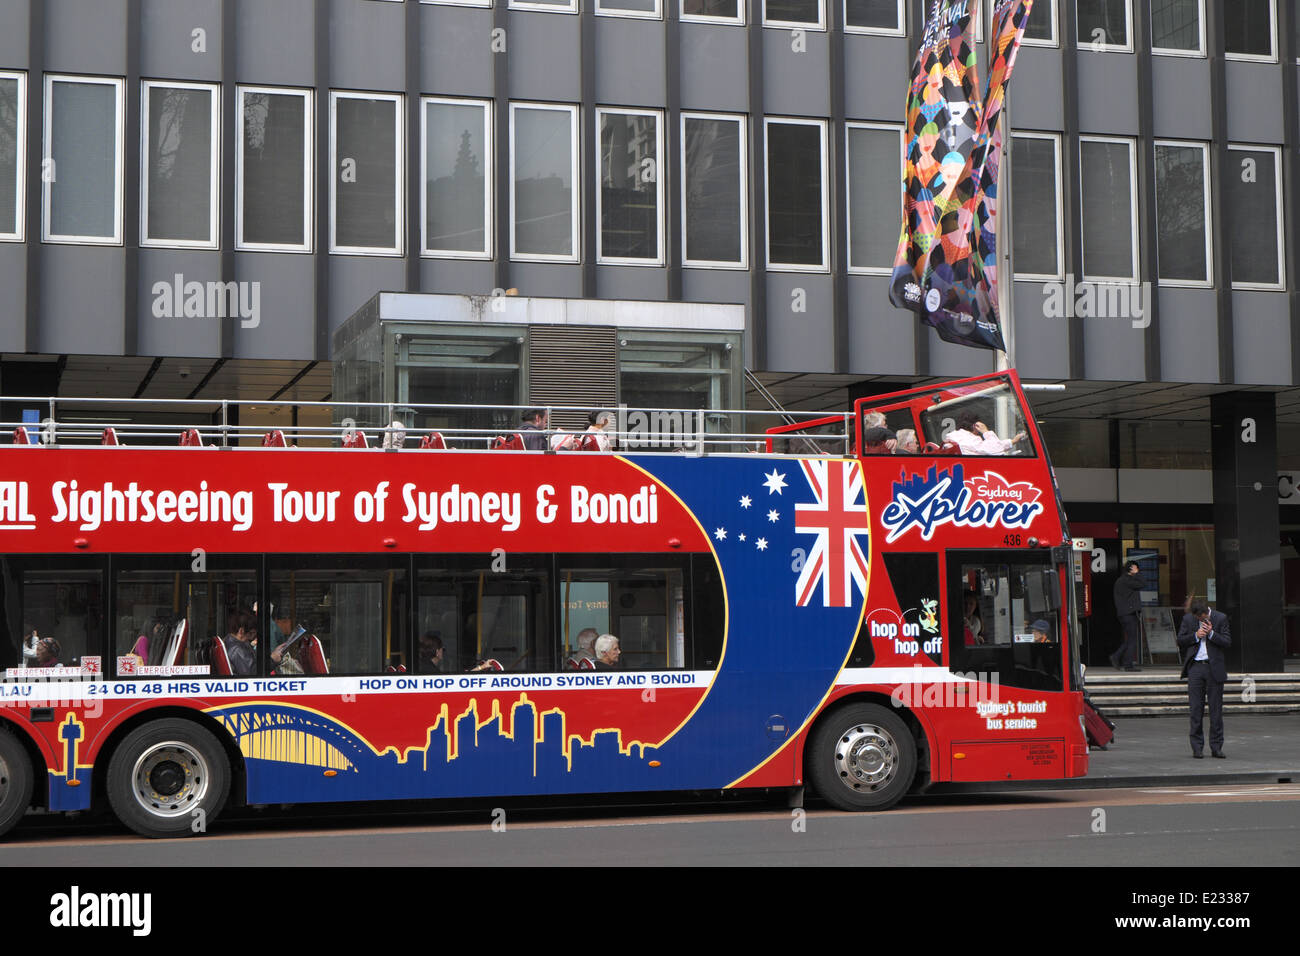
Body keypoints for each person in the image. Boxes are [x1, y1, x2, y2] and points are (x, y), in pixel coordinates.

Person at [1177, 601, 1231, 759]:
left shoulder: (1220, 618)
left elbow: (1227, 642)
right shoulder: (1188, 620)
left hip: (1213, 668)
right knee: (1195, 709)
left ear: (1207, 612)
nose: (1202, 619)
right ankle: (1197, 747)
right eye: (1198, 618)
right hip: (1195, 667)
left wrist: (1212, 634)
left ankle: (1216, 747)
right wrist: (1196, 635)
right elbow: (1180, 640)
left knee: (1215, 710)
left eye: (1203, 617)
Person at [945, 410, 1026, 456]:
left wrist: (1013, 441)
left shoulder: (954, 436)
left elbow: (986, 447)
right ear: (975, 425)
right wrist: (986, 431)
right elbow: (996, 450)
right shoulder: (971, 440)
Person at [1111, 560, 1144, 671]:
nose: (1137, 570)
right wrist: (1137, 574)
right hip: (1128, 614)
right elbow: (1143, 584)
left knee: (1130, 639)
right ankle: (1127, 664)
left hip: (1125, 613)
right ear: (1130, 568)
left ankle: (1116, 657)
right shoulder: (1126, 580)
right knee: (1132, 639)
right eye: (1135, 568)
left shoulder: (1123, 580)